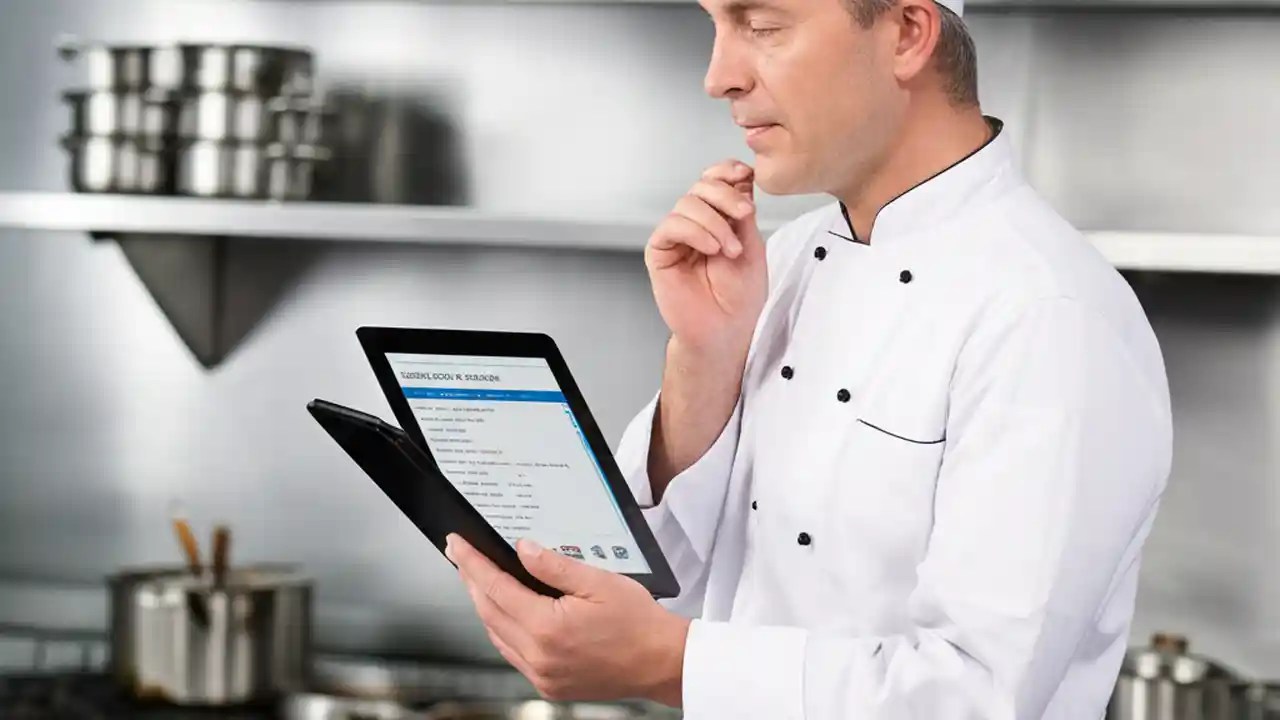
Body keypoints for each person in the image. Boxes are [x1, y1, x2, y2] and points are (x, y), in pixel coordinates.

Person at [445, 0, 1173, 716]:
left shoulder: (1048, 314)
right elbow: (662, 582)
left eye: (760, 26)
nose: (718, 76)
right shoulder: (783, 261)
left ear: (908, 34)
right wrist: (703, 357)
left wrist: (668, 664)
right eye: (715, 28)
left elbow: (975, 697)